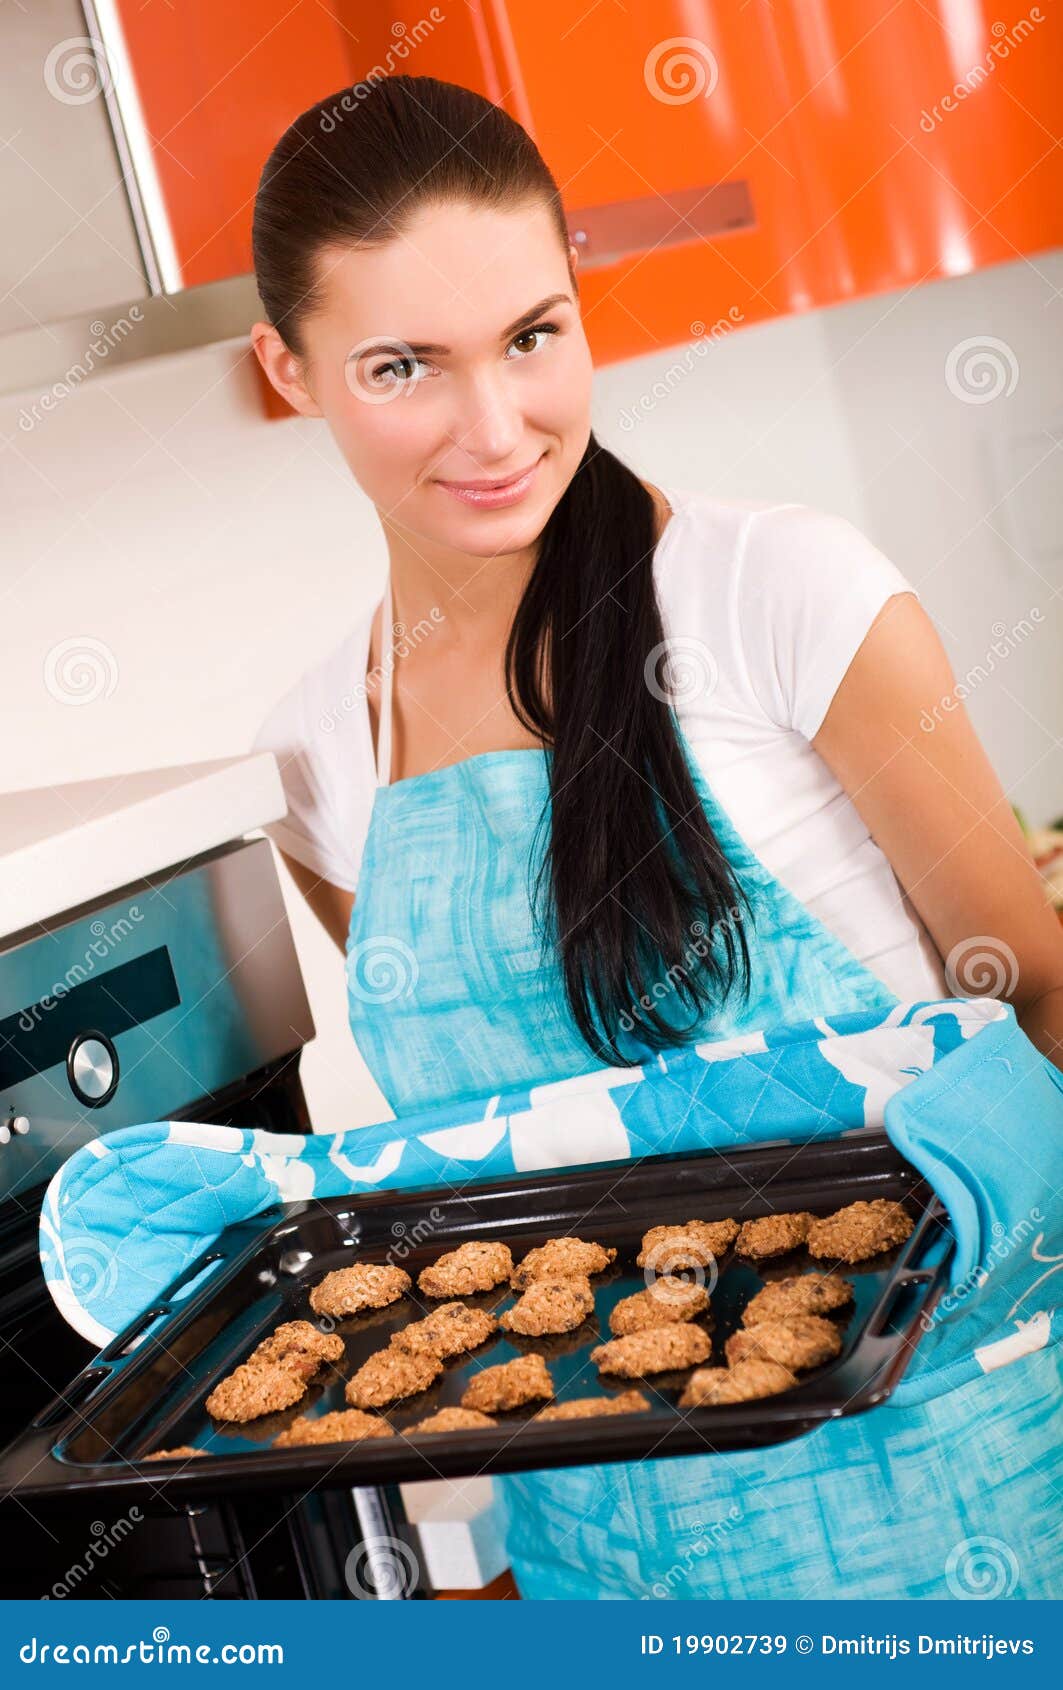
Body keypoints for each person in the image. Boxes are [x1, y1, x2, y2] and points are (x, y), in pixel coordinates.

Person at [249, 74, 1063, 1598]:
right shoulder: (317, 756)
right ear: (287, 371)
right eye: (403, 365)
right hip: (601, 1564)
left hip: (951, 1515)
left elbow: (1039, 1000)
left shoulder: (780, 596)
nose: (496, 426)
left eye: (532, 336)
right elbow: (502, 1161)